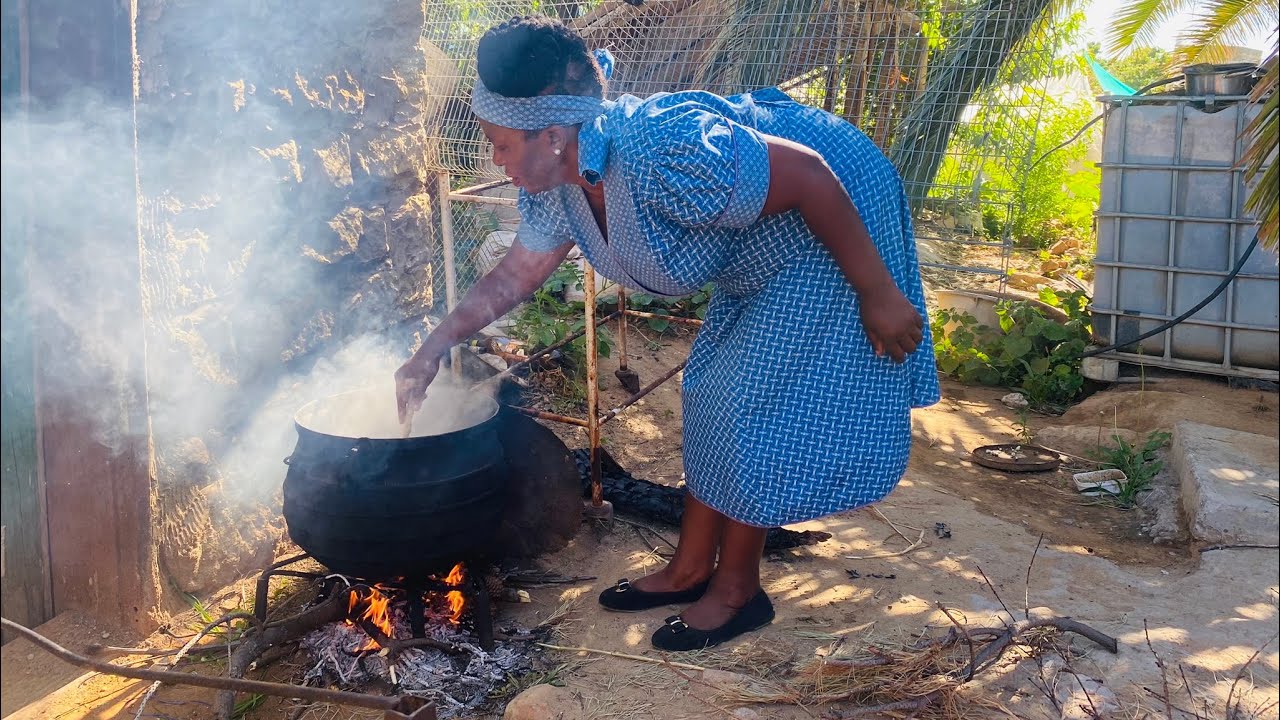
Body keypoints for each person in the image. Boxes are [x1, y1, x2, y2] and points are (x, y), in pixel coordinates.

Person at [396, 15, 940, 651]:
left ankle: (737, 590)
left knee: (747, 404)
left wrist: (878, 292)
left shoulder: (657, 149)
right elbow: (514, 275)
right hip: (759, 246)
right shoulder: (558, 182)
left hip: (831, 224)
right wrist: (430, 351)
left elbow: (814, 177)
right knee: (709, 388)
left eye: (499, 143)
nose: (493, 158)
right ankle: (689, 568)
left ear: (551, 134)